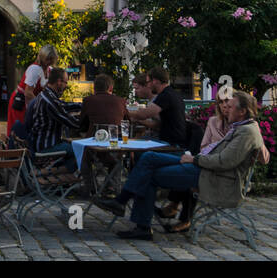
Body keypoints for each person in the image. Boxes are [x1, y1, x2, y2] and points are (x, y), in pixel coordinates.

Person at [97, 91, 266, 238]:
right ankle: (122, 202)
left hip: (212, 175)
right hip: (202, 164)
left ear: (242, 111)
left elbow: (224, 162)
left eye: (231, 107)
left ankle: (140, 225)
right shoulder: (241, 127)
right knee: (149, 157)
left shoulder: (246, 132)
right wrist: (195, 158)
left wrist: (195, 159)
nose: (226, 109)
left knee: (149, 174)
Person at [26, 67, 79, 162]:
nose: (66, 85)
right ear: (59, 82)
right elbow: (71, 122)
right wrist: (88, 122)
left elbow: (63, 105)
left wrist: (83, 105)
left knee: (74, 147)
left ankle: (60, 169)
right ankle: (52, 170)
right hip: (46, 147)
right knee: (81, 150)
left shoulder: (45, 94)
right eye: (65, 82)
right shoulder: (49, 101)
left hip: (42, 144)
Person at [127, 67, 187, 148]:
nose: (148, 86)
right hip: (173, 141)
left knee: (134, 148)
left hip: (170, 144)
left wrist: (124, 111)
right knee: (133, 144)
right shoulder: (172, 93)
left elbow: (143, 114)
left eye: (148, 82)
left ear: (155, 81)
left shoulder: (165, 96)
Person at [7, 44, 57, 138]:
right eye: (47, 59)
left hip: (32, 101)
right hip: (21, 102)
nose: (49, 62)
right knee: (19, 130)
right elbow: (28, 93)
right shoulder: (34, 69)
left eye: (51, 59)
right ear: (42, 57)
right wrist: (41, 104)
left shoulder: (50, 70)